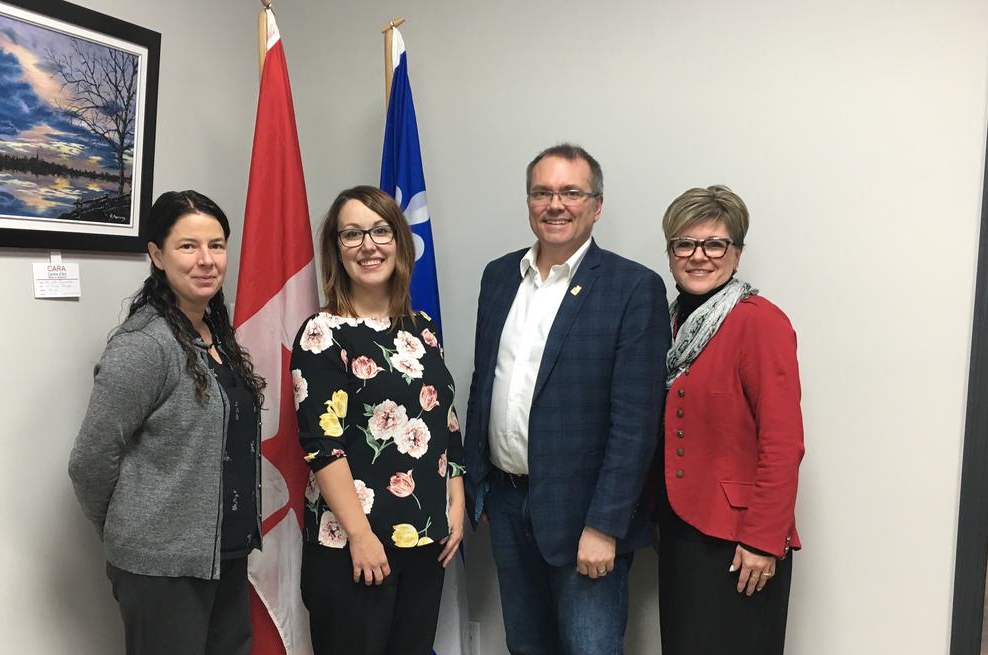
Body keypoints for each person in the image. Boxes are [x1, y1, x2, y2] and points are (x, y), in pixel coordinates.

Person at [463, 143, 670, 654]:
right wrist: (477, 485)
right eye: (543, 192)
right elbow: (482, 384)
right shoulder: (498, 276)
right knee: (526, 647)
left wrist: (605, 526)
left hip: (586, 518)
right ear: (529, 202)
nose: (555, 204)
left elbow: (636, 424)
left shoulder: (632, 287)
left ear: (596, 206)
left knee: (589, 649)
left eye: (571, 192)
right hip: (508, 507)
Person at [68, 190, 262, 655]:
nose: (206, 260)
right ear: (156, 254)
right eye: (188, 246)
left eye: (216, 245)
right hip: (162, 568)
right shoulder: (144, 345)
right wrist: (134, 528)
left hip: (224, 556)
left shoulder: (215, 334)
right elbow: (90, 460)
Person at [290, 185, 465, 655]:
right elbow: (321, 447)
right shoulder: (323, 334)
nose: (369, 245)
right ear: (336, 250)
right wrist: (361, 537)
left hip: (426, 541)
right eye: (352, 234)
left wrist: (456, 504)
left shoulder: (422, 328)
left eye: (381, 230)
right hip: (354, 548)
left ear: (401, 243)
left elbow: (445, 425)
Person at [653, 185, 804, 655]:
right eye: (684, 243)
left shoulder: (758, 321)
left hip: (739, 539)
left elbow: (783, 443)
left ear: (736, 254)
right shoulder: (668, 322)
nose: (699, 256)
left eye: (714, 244)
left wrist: (763, 541)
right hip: (681, 530)